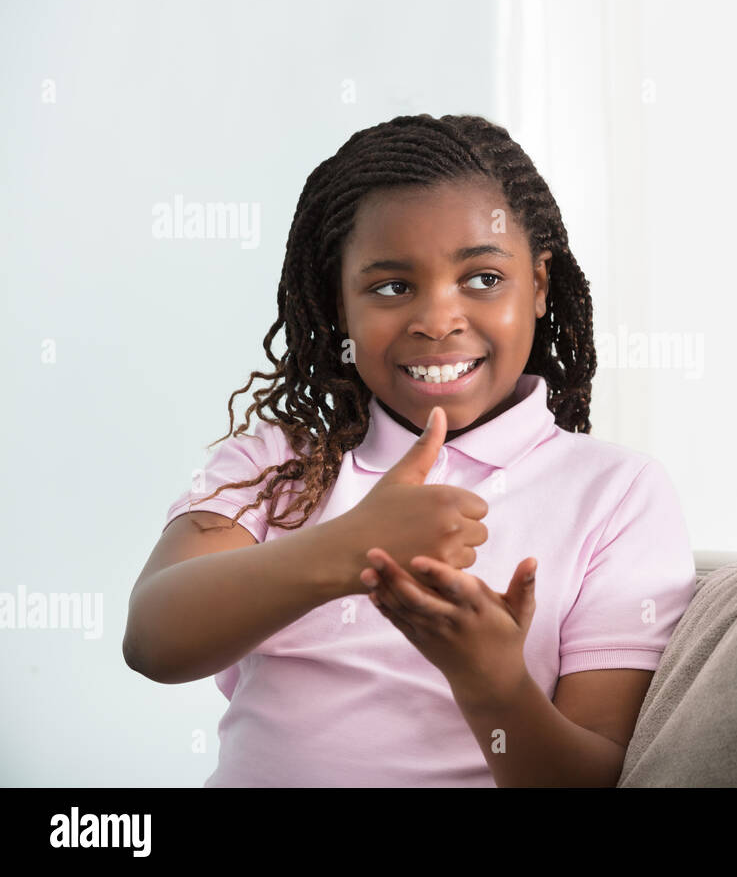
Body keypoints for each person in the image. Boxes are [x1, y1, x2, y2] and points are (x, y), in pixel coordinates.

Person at [124, 114, 696, 787]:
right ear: (339, 304)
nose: (438, 319)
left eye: (483, 278)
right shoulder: (278, 462)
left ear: (539, 285)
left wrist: (491, 684)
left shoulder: (614, 492)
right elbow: (153, 640)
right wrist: (349, 548)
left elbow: (593, 777)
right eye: (392, 287)